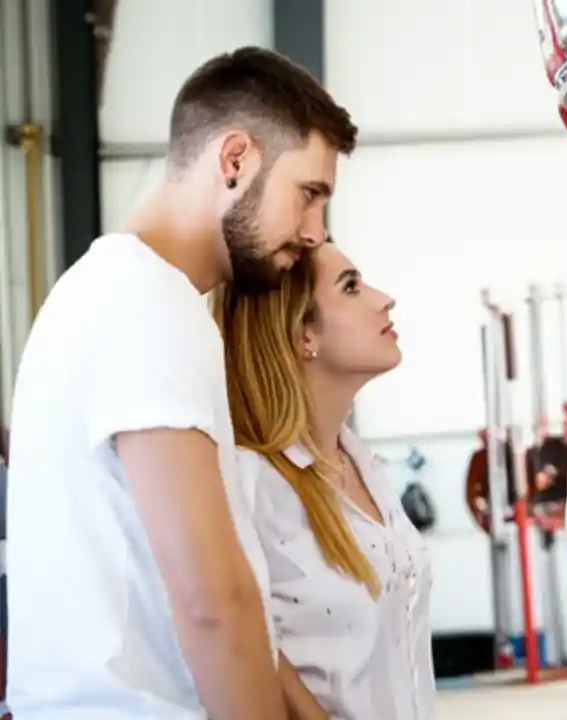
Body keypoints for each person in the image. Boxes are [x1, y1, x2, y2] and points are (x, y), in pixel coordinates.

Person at [4, 46, 356, 719]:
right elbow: (211, 601)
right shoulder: (144, 304)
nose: (316, 233)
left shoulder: (126, 295)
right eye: (309, 194)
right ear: (234, 161)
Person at [212, 241, 436, 720]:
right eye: (351, 287)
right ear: (302, 334)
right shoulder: (251, 484)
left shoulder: (363, 468)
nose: (384, 298)